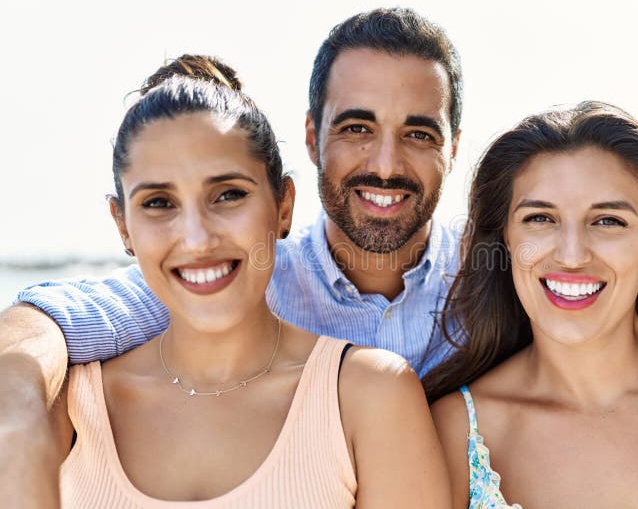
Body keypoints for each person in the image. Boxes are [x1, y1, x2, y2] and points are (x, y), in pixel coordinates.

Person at [0, 8, 638, 507]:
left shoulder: (502, 280)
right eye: (355, 127)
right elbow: (68, 312)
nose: (385, 162)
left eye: (418, 132)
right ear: (309, 140)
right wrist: (16, 402)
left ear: (453, 146)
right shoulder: (241, 277)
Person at [53, 54, 449, 507]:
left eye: (229, 195)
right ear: (123, 226)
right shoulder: (63, 404)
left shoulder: (370, 395)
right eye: (159, 203)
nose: (197, 239)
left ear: (284, 206)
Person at [428, 101, 638, 507]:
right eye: (540, 219)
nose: (572, 254)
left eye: (608, 221)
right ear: (506, 240)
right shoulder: (455, 431)